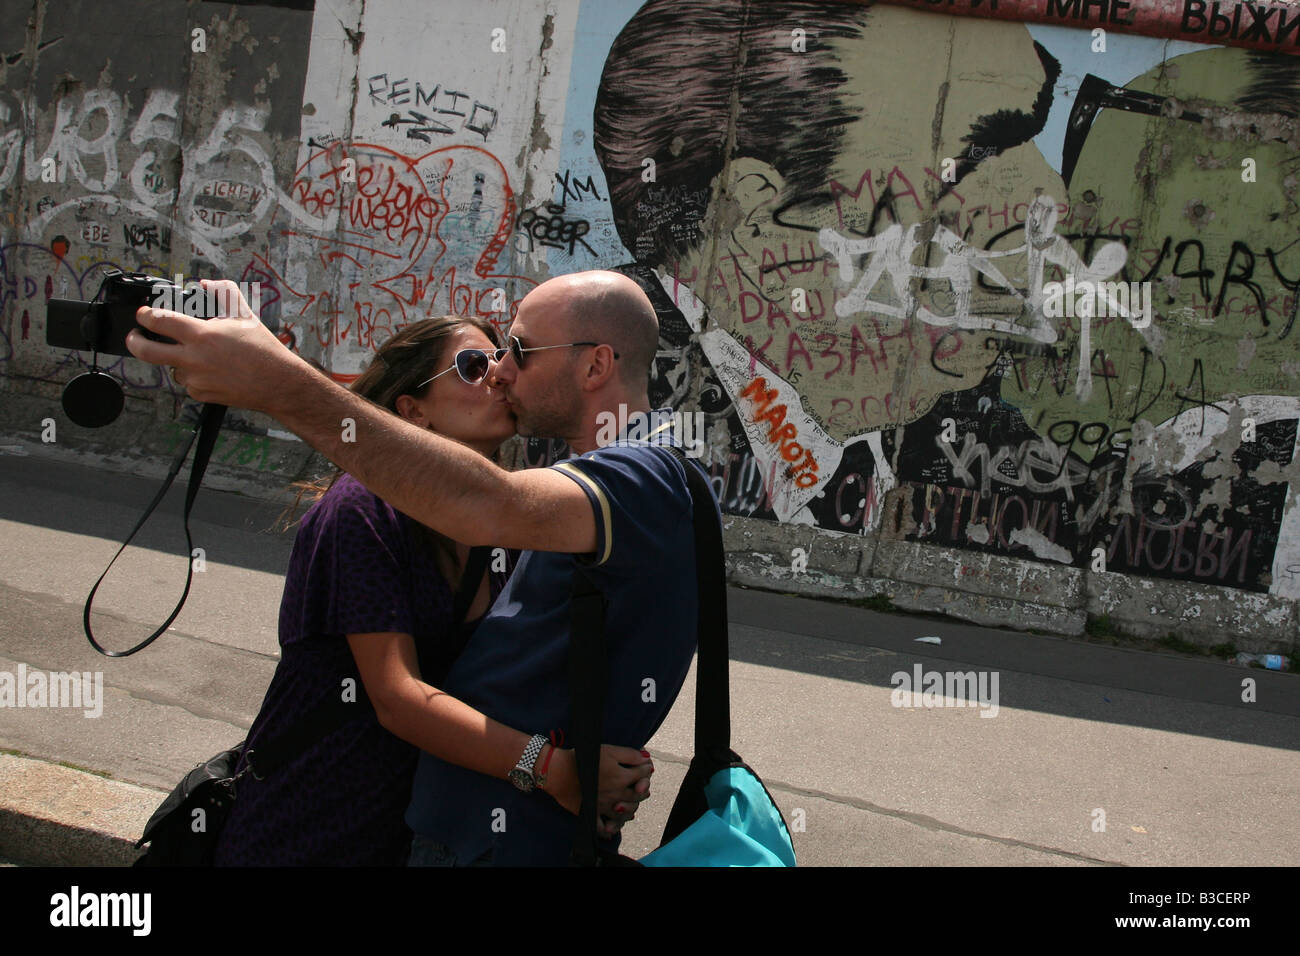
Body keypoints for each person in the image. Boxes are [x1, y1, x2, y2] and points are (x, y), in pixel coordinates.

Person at [128, 270, 704, 865]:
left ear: (595, 366)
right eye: (476, 365)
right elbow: (404, 695)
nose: (501, 373)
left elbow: (487, 506)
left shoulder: (608, 486)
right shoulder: (368, 510)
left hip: (440, 834)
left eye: (516, 353)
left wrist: (275, 381)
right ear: (413, 409)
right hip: (314, 823)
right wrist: (554, 766)